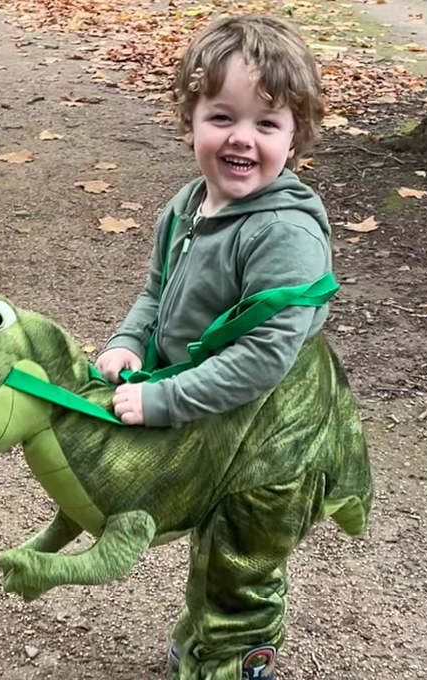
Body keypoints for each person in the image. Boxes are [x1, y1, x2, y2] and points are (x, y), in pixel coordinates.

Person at [93, 14, 336, 680]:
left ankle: (232, 661)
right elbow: (155, 290)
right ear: (190, 119)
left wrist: (166, 397)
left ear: (295, 136)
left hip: (271, 436)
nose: (240, 139)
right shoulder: (186, 205)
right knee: (211, 537)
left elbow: (262, 357)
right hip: (214, 414)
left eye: (267, 124)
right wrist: (128, 342)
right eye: (221, 116)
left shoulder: (285, 234)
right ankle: (207, 637)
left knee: (242, 552)